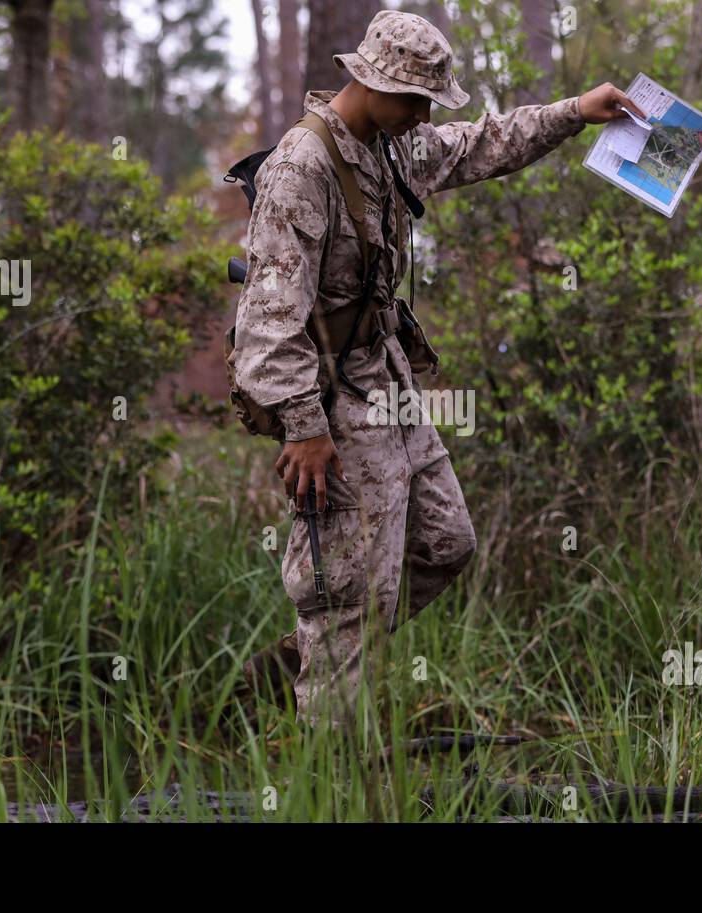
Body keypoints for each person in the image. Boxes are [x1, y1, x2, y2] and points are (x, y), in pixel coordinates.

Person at [233, 9, 644, 730]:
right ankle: (334, 771)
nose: (425, 115)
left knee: (445, 542)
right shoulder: (303, 167)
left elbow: (481, 144)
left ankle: (308, 659)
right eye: (415, 99)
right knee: (352, 592)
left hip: (384, 380)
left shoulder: (389, 145)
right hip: (330, 398)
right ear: (371, 82)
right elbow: (267, 315)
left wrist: (576, 112)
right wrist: (302, 426)